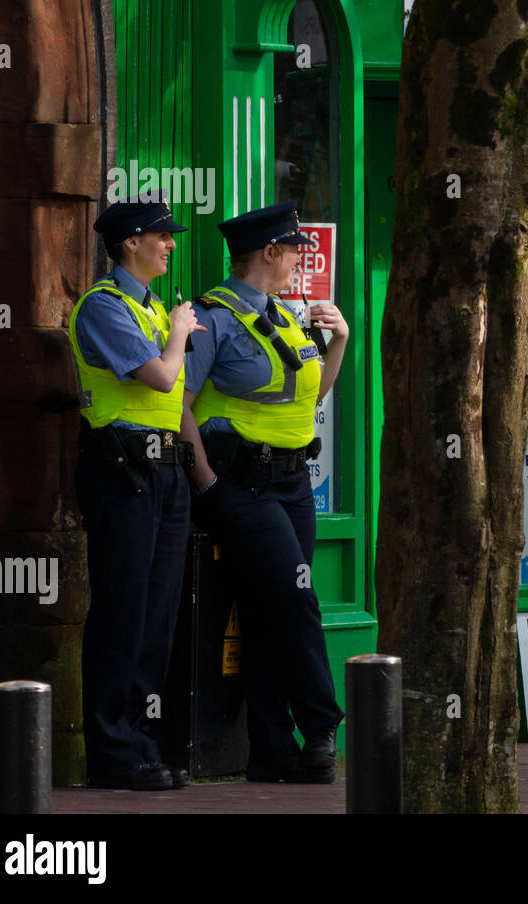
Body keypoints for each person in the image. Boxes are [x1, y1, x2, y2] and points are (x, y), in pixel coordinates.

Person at [180, 201, 349, 783]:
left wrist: (340, 342)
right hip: (242, 486)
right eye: (295, 249)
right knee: (298, 597)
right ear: (269, 253)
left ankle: (273, 751)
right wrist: (204, 477)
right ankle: (323, 724)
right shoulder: (213, 318)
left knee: (265, 609)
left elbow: (310, 396)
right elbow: (177, 401)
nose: (302, 258)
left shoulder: (286, 314)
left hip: (293, 483)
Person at [68, 199, 206, 790]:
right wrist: (177, 334)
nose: (170, 244)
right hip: (123, 471)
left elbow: (176, 404)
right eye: (161, 236)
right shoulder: (105, 307)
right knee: (123, 610)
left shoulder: (150, 310)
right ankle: (113, 750)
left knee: (157, 614)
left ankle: (142, 742)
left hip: (167, 473)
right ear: (130, 243)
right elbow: (162, 377)